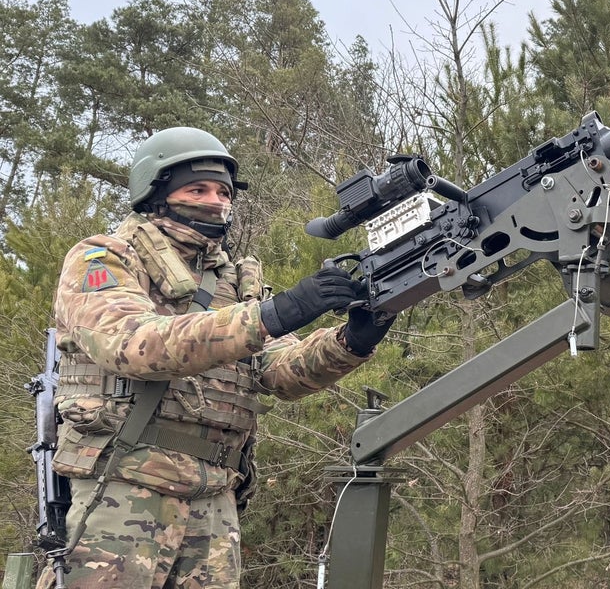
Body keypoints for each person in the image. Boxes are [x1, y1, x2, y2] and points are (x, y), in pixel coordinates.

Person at [37, 127, 394, 589]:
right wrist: (274, 312)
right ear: (156, 193)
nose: (214, 201)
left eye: (223, 192)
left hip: (214, 497)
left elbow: (276, 372)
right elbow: (132, 345)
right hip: (124, 488)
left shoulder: (232, 278)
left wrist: (353, 340)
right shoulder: (103, 257)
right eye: (197, 189)